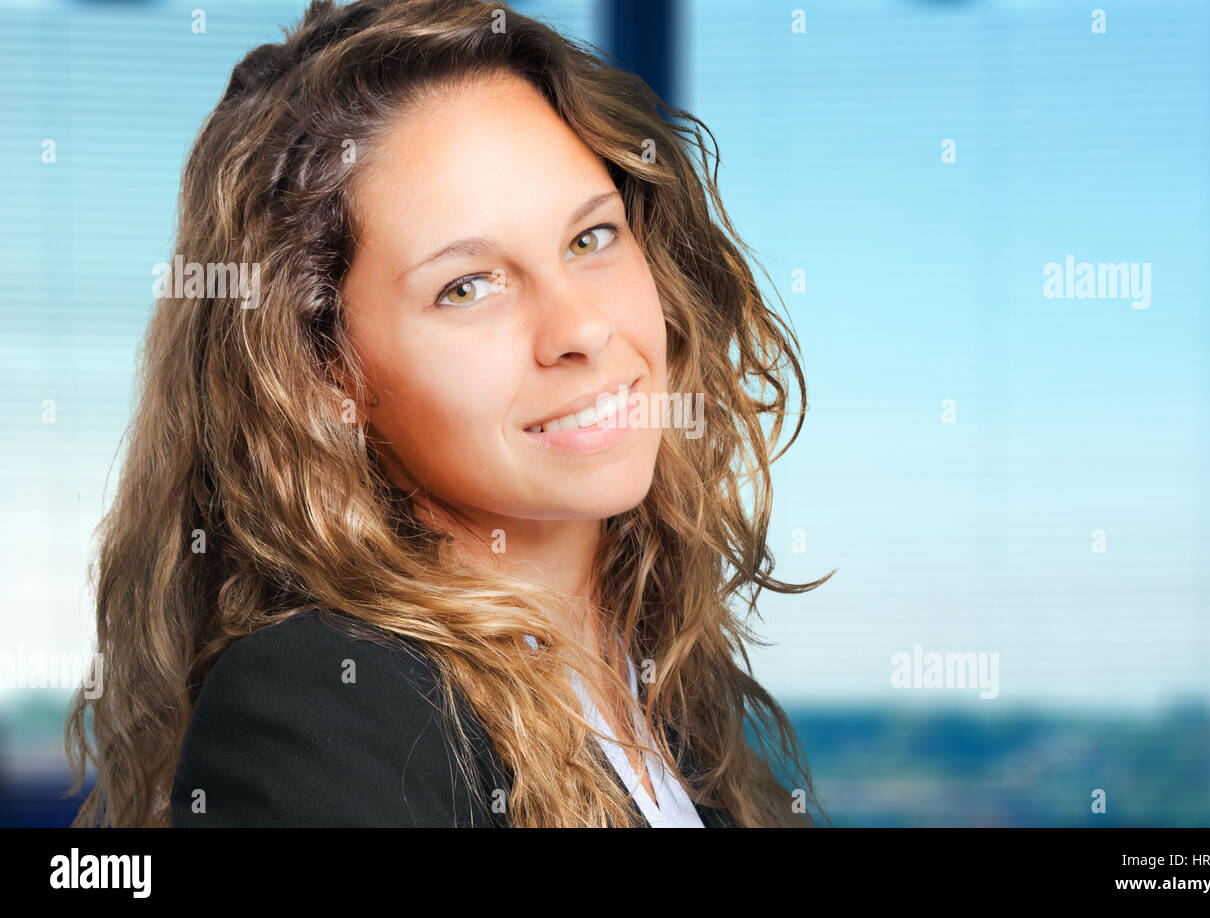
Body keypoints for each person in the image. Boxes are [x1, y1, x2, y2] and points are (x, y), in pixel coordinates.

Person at [66, 0, 831, 828]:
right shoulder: (321, 702)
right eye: (467, 286)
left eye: (590, 238)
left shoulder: (655, 683)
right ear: (326, 373)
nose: (581, 327)